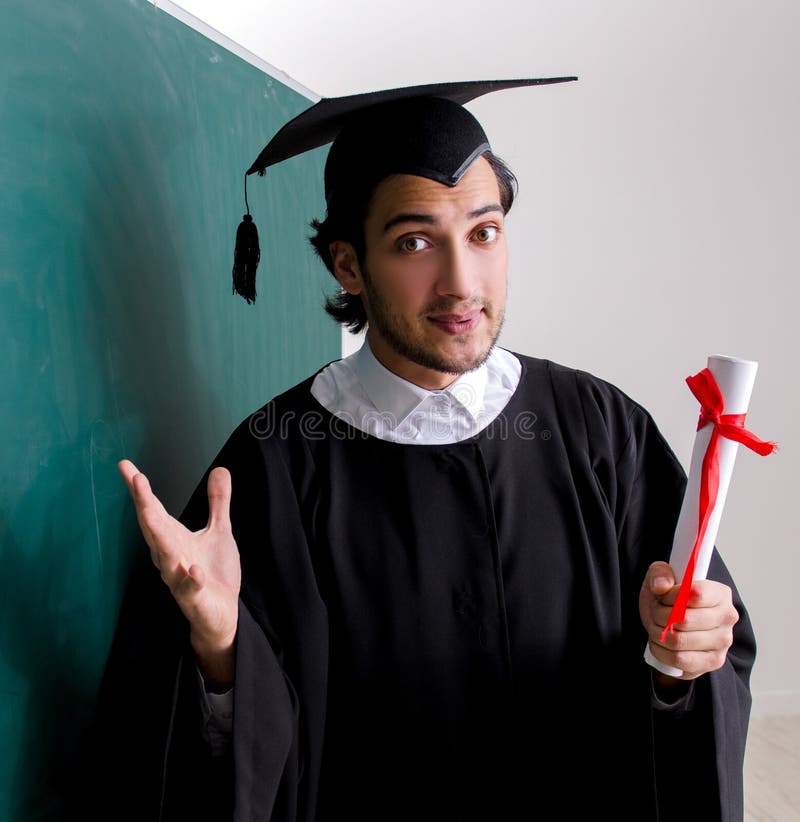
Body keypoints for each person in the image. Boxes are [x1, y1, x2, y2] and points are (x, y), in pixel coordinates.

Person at [88, 79, 755, 821]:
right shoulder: (270, 466)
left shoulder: (601, 431)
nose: (461, 283)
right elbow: (209, 749)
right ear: (348, 265)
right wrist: (219, 648)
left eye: (484, 232)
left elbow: (691, 679)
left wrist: (682, 660)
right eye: (414, 242)